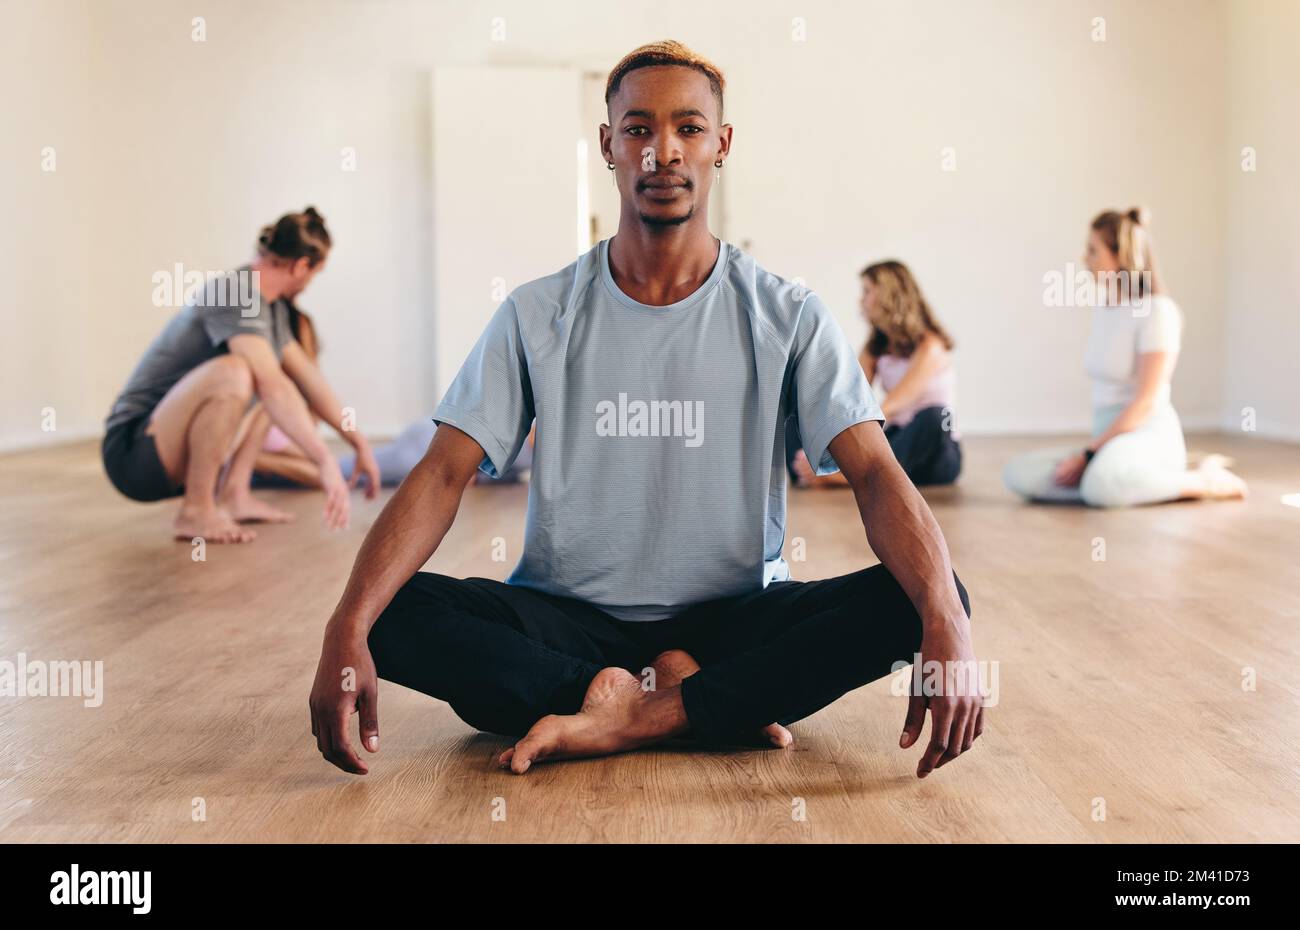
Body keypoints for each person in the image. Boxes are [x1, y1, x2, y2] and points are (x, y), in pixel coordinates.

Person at [309, 40, 985, 780]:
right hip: (566, 627)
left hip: (729, 624)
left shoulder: (786, 313)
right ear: (609, 144)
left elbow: (877, 476)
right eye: (638, 129)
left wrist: (942, 617)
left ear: (720, 145)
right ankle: (673, 703)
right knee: (390, 611)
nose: (664, 151)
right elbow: (441, 476)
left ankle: (632, 713)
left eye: (689, 128)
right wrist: (346, 626)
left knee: (927, 593)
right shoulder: (539, 312)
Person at [102, 207, 380, 543]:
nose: (309, 284)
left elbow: (308, 379)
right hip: (134, 454)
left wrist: (358, 442)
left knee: (276, 379)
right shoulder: (236, 292)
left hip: (166, 448)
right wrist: (323, 460)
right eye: (314, 274)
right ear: (301, 265)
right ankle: (196, 511)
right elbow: (271, 385)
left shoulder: (271, 307)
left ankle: (236, 494)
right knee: (237, 373)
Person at [1003, 208, 1247, 507]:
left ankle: (1203, 481)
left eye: (1094, 251)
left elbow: (1145, 402)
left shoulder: (1158, 312)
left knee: (1102, 486)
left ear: (1120, 257)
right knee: (1019, 474)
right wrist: (1092, 453)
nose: (1085, 259)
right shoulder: (1106, 309)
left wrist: (1089, 454)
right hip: (1107, 439)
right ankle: (1116, 482)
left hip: (1147, 436)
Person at [250, 308, 533, 489]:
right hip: (424, 446)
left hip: (430, 433)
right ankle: (255, 465)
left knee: (337, 467)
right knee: (338, 474)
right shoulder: (548, 437)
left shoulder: (541, 433)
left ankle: (257, 465)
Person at [789, 260, 961, 488]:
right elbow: (848, 396)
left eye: (867, 291)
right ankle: (810, 469)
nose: (861, 300)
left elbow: (896, 402)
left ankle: (843, 477)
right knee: (796, 415)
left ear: (888, 296)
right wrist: (819, 432)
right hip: (899, 439)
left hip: (935, 451)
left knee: (936, 416)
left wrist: (855, 434)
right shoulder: (876, 348)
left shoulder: (931, 345)